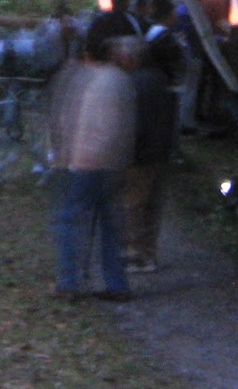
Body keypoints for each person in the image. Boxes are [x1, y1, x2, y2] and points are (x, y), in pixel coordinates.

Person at [48, 31, 137, 302]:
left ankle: (69, 281)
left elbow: (83, 125)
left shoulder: (95, 82)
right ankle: (116, 282)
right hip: (114, 163)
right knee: (110, 226)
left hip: (89, 162)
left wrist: (69, 157)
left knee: (70, 221)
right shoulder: (121, 80)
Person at [122, 28, 180, 273]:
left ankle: (135, 252)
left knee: (134, 205)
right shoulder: (163, 82)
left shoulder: (134, 83)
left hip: (139, 153)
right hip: (161, 151)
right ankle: (148, 252)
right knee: (153, 205)